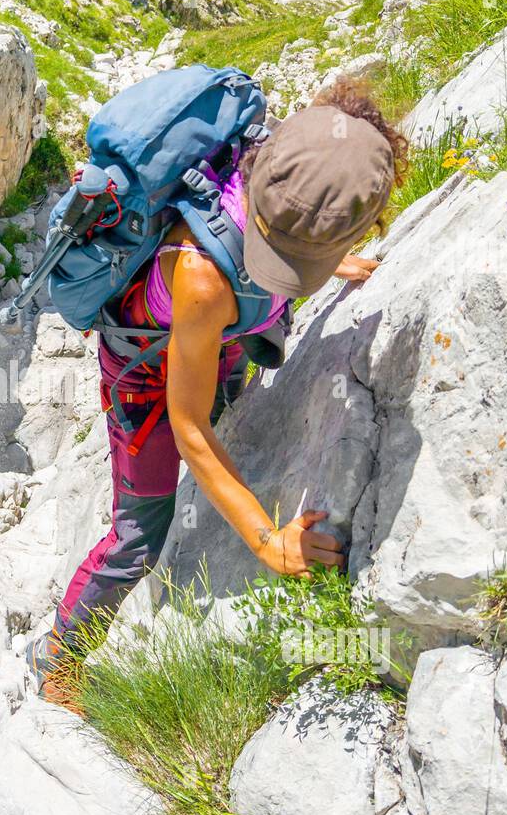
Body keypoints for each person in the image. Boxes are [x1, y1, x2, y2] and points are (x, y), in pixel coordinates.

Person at [28, 78, 409, 698]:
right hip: (145, 378)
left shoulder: (279, 163)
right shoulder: (202, 277)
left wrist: (318, 251)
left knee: (229, 414)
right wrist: (266, 540)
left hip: (214, 338)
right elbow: (189, 426)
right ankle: (61, 659)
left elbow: (284, 223)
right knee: (139, 536)